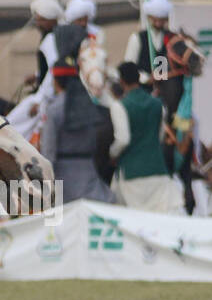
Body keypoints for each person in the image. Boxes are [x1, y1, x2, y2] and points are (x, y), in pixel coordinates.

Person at [40, 54, 114, 203]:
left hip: (63, 179)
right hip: (90, 175)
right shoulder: (89, 106)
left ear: (56, 81)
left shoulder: (53, 110)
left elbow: (48, 153)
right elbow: (95, 143)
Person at [113, 61, 176, 211]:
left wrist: (111, 154)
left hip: (131, 174)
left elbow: (122, 140)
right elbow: (160, 136)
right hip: (158, 171)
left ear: (121, 81)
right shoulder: (158, 104)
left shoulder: (119, 105)